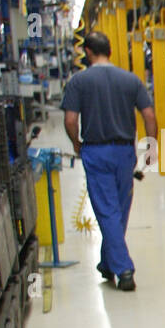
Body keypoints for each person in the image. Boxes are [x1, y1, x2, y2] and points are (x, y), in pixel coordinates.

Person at [61, 30, 157, 291]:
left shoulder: (78, 81)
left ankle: (124, 269)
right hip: (124, 152)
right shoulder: (130, 80)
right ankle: (107, 263)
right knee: (118, 211)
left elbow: (70, 120)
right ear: (110, 51)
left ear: (88, 52)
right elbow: (149, 115)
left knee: (107, 211)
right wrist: (151, 146)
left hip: (96, 151)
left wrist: (76, 144)